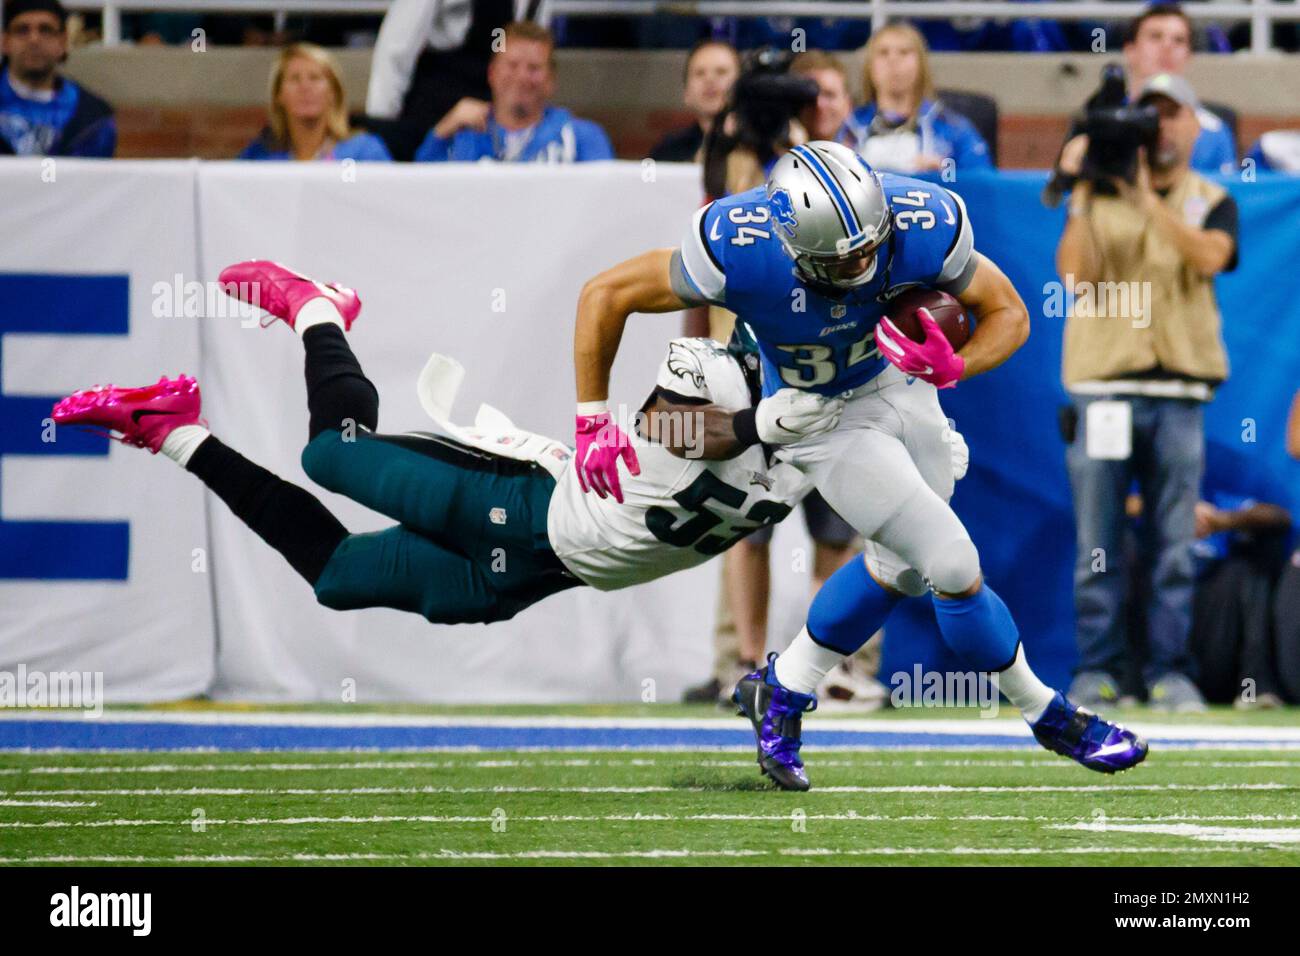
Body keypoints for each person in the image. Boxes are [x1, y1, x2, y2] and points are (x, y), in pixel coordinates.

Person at [571, 139, 1147, 791]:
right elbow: (604, 293)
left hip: (900, 381)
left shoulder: (921, 218)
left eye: (871, 247)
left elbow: (1010, 313)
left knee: (897, 568)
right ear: (792, 247)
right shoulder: (739, 244)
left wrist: (957, 368)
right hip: (817, 413)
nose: (864, 265)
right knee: (951, 564)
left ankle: (783, 689)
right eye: (844, 259)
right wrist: (592, 416)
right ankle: (1049, 714)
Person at [51, 261, 857, 625]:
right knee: (331, 454)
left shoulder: (835, 432)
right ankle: (316, 310)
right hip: (524, 502)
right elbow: (658, 429)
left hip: (546, 574)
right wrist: (761, 426)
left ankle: (168, 427)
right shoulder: (715, 375)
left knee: (336, 578)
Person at [1055, 73, 1238, 712]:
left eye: (1171, 116)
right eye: (1148, 117)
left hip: (1181, 392)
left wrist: (1144, 197)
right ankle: (1097, 670)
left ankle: (1169, 673)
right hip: (1103, 387)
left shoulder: (1211, 197)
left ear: (1194, 125)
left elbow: (1209, 258)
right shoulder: (1095, 196)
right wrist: (1085, 188)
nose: (1160, 128)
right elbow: (1076, 277)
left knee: (1174, 545)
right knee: (1096, 545)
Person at [414, 21, 612, 164]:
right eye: (512, 65)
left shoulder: (581, 137)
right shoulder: (463, 136)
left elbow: (603, 201)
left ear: (551, 80)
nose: (521, 77)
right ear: (492, 74)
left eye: (533, 68)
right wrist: (442, 131)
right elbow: (422, 198)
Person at [846, 22, 991, 175]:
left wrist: (945, 172)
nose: (893, 60)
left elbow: (982, 185)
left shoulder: (954, 128)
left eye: (904, 52)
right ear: (869, 67)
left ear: (921, 64)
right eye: (883, 53)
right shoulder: (850, 126)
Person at [1121, 3, 1236, 175]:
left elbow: (1225, 194)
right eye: (1155, 37)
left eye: (1178, 40)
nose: (1167, 46)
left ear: (1189, 55)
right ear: (1130, 51)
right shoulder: (1102, 121)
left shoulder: (1214, 130)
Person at [0, 0, 115, 157]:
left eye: (45, 30)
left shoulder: (92, 118)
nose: (34, 40)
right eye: (22, 30)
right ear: (5, 41)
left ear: (63, 41)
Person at [239, 44, 391, 162]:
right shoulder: (260, 155)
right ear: (279, 95)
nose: (305, 87)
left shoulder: (362, 152)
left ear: (333, 92)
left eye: (315, 78)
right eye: (294, 79)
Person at [648, 39, 739, 163]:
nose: (710, 80)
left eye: (721, 72)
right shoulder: (668, 151)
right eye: (699, 73)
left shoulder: (761, 146)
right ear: (686, 94)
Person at [788, 50, 856, 146]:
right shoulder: (774, 154)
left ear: (848, 104)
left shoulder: (869, 148)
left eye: (829, 95)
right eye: (810, 96)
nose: (819, 104)